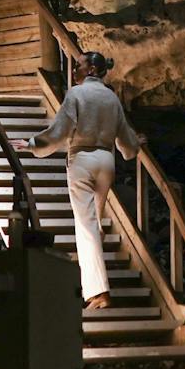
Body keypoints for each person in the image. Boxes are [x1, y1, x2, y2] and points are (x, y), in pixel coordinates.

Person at [20, 52, 141, 310]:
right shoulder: (112, 98)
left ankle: (98, 292)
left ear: (92, 70)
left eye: (79, 65)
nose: (75, 69)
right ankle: (95, 238)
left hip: (82, 160)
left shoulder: (76, 94)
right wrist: (134, 147)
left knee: (84, 226)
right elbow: (126, 141)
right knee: (93, 221)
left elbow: (59, 131)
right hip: (106, 160)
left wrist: (32, 144)